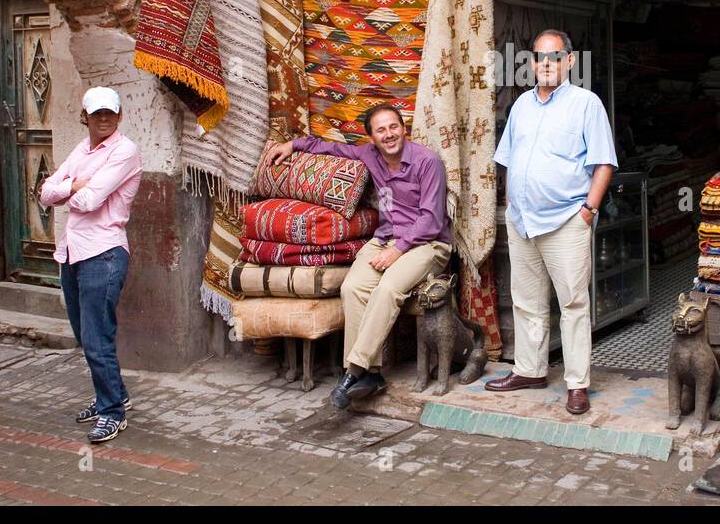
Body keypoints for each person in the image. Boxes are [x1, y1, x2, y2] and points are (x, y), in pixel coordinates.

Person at [263, 104, 451, 409]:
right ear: (372, 138)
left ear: (405, 130)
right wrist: (292, 145)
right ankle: (372, 374)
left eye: (393, 127)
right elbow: (330, 148)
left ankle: (354, 371)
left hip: (427, 244)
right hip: (386, 240)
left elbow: (431, 220)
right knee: (352, 288)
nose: (389, 135)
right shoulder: (369, 155)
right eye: (381, 130)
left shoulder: (427, 162)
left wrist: (397, 250)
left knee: (388, 289)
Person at [487, 29, 617, 415]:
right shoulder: (522, 106)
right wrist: (511, 200)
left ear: (570, 61)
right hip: (523, 221)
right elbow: (507, 157)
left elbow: (603, 163)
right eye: (539, 57)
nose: (546, 64)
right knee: (527, 301)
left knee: (573, 303)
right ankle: (529, 370)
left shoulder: (585, 104)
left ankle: (577, 383)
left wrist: (588, 210)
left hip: (566, 221)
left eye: (554, 56)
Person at [38, 86, 142, 443]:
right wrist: (74, 184)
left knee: (98, 338)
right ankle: (114, 396)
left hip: (105, 252)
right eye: (96, 113)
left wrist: (70, 187)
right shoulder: (81, 150)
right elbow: (45, 192)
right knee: (86, 336)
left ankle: (112, 412)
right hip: (73, 252)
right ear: (84, 116)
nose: (103, 119)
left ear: (119, 116)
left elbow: (89, 201)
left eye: (109, 113)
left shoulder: (125, 150)